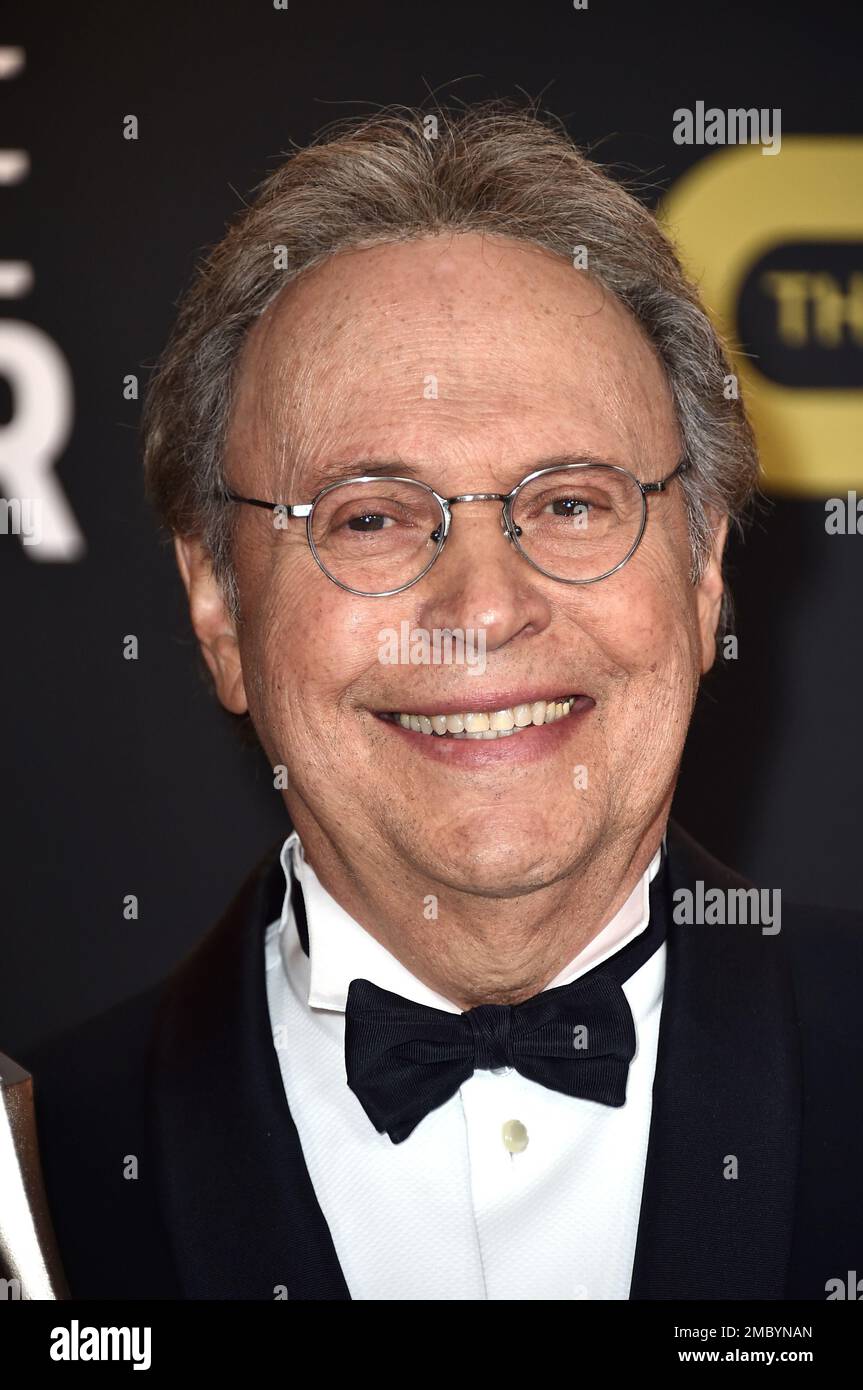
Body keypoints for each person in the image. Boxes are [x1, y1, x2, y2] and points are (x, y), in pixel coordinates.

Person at [24, 102, 863, 1301]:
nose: (479, 608)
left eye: (571, 503)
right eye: (369, 517)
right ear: (216, 604)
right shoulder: (37, 1176)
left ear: (702, 573)